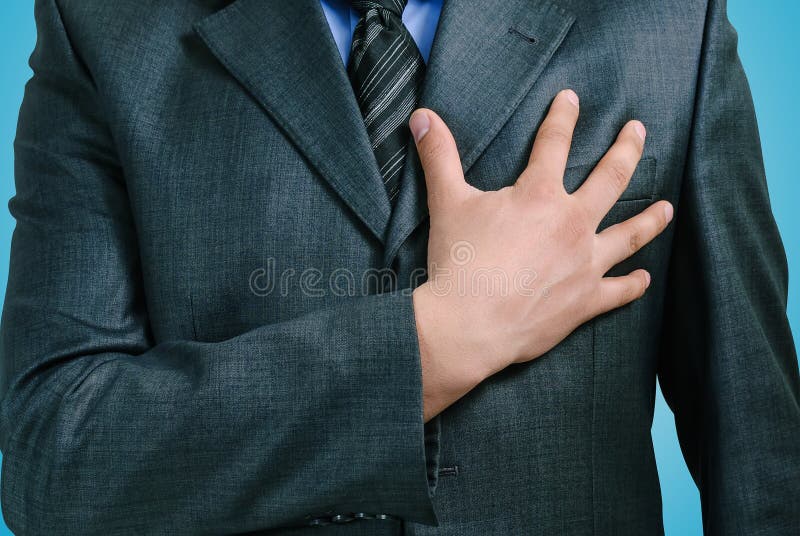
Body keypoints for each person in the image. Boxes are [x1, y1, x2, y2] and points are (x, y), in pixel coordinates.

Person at [1, 0, 797, 534]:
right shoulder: (102, 27)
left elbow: (762, 468)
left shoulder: (669, 23)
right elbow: (53, 459)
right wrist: (431, 345)